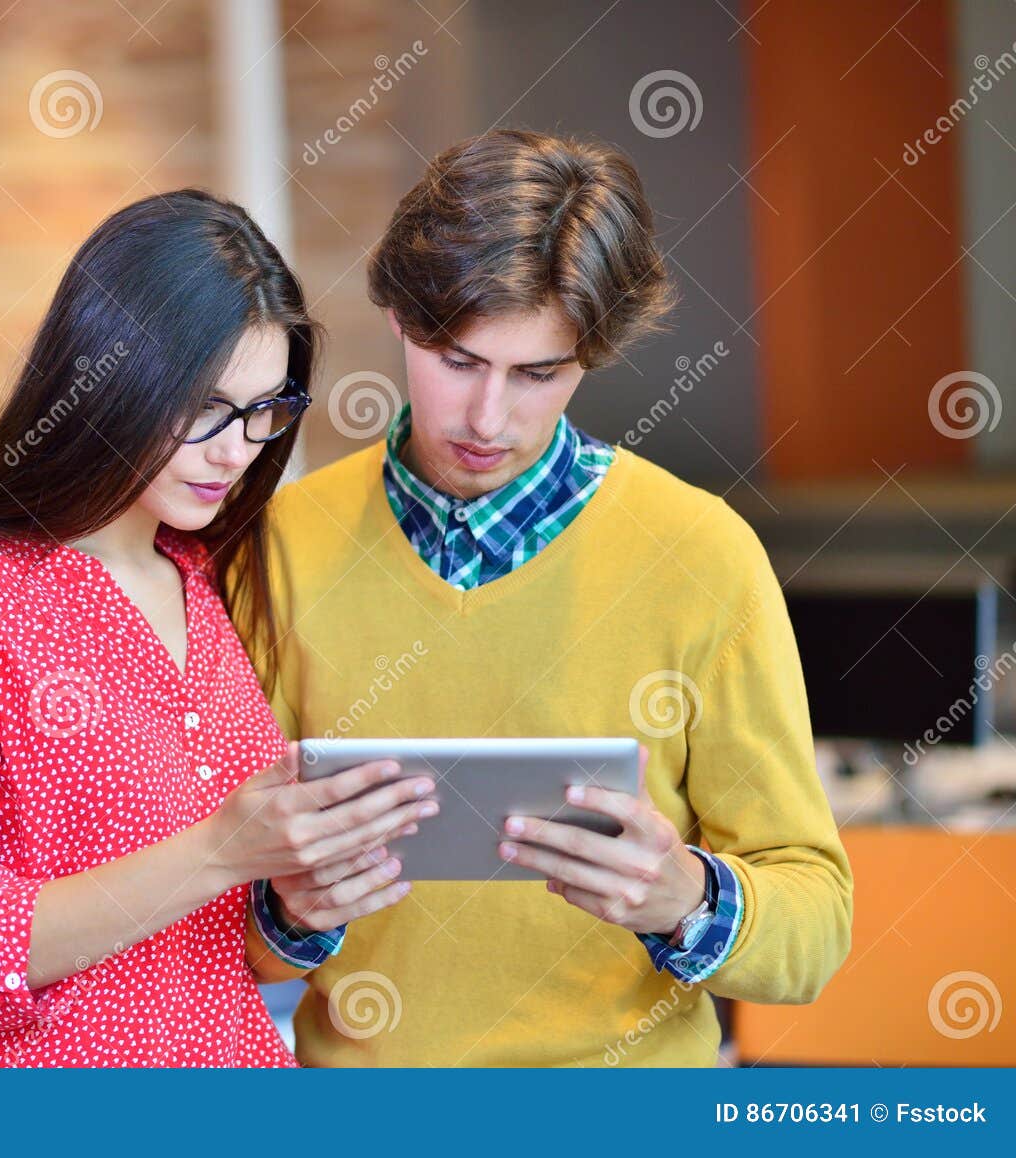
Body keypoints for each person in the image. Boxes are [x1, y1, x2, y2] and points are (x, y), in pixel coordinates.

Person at [244, 129, 854, 1066]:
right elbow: (205, 920)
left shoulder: (702, 555)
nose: (489, 419)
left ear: (592, 359)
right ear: (402, 323)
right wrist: (286, 914)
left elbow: (813, 933)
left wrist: (684, 896)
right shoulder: (281, 547)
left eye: (539, 374)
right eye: (458, 361)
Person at [0, 189, 437, 1068]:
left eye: (267, 410)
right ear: (106, 378)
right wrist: (224, 849)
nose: (239, 449)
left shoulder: (203, 577)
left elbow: (222, 956)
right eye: (208, 406)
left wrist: (298, 906)